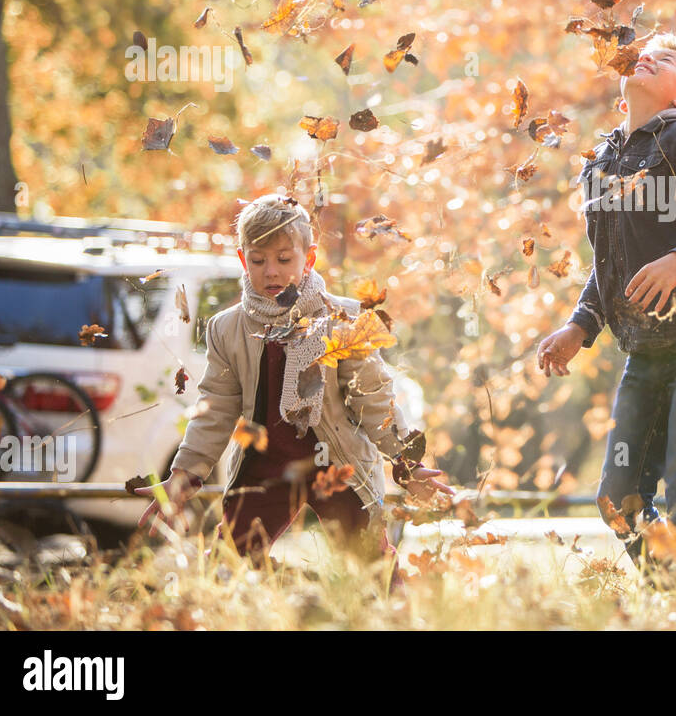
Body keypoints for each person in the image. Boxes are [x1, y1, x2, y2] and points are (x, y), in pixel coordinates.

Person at [537, 34, 676, 576]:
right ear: (621, 99)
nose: (646, 56)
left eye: (666, 59)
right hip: (645, 352)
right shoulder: (601, 162)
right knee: (618, 496)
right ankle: (674, 603)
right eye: (645, 53)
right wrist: (580, 325)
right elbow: (609, 264)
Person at [137, 194, 449, 574]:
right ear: (242, 260)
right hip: (265, 465)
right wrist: (185, 474)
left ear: (309, 259)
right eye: (258, 260)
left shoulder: (345, 319)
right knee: (229, 563)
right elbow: (215, 408)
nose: (271, 271)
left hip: (335, 462)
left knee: (373, 569)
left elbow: (375, 399)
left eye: (284, 259)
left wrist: (406, 462)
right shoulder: (227, 328)